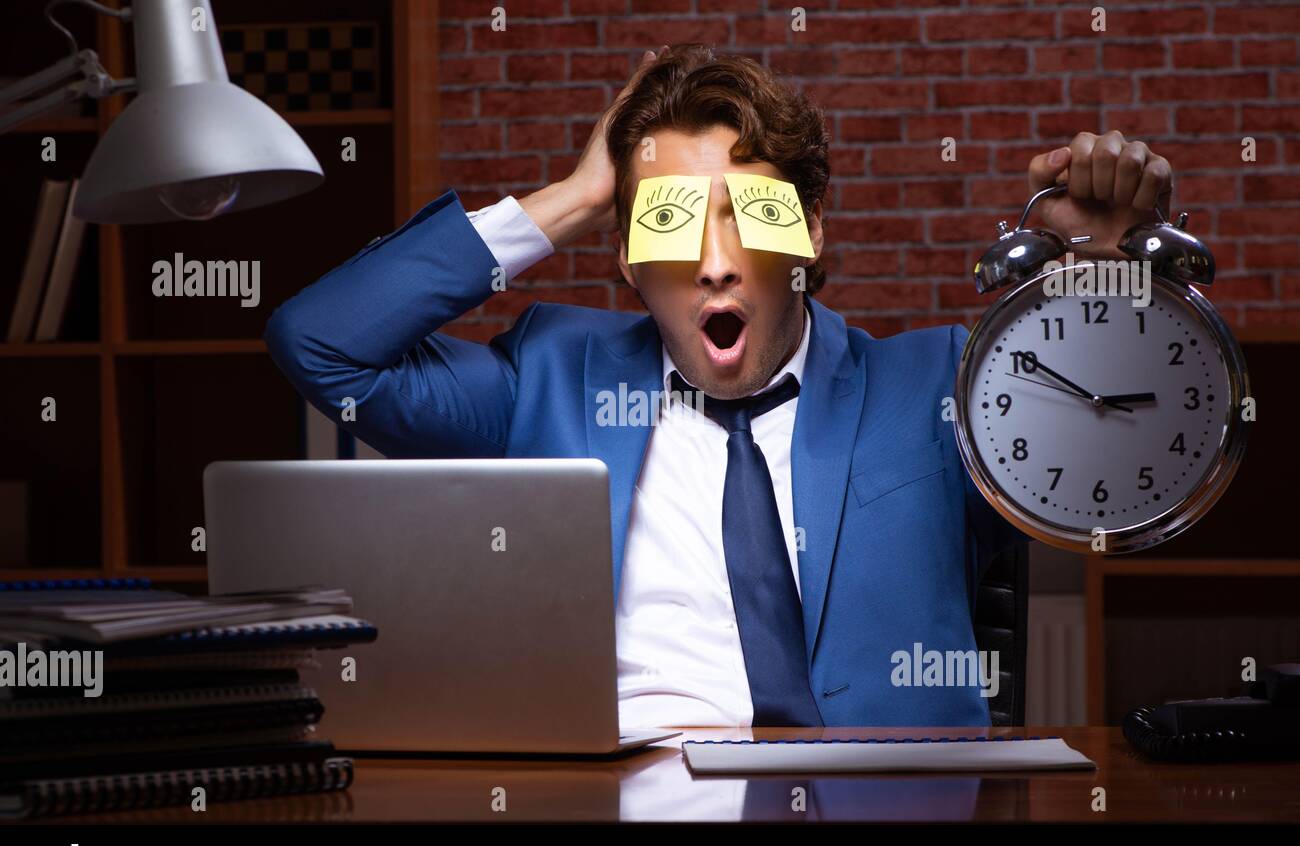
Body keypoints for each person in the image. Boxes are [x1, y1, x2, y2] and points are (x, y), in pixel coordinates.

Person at [264, 44, 1173, 729]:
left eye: (751, 217)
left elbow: (1133, 461)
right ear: (625, 254)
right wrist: (582, 196)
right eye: (669, 224)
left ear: (810, 229)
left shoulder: (941, 386)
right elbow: (324, 343)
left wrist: (1107, 269)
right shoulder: (544, 377)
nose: (713, 264)